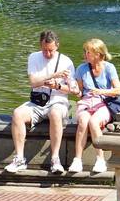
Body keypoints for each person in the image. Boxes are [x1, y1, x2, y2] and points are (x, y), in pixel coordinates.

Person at [8, 30, 79, 174]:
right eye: (44, 50)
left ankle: (55, 158)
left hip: (57, 101)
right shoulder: (34, 57)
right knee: (17, 114)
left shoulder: (66, 61)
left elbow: (75, 90)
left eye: (50, 50)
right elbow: (33, 82)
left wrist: (57, 86)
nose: (47, 54)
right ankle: (20, 158)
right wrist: (53, 76)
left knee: (55, 113)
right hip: (37, 102)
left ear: (57, 46)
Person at [70, 39, 120, 176]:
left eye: (89, 52)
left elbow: (118, 90)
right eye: (85, 52)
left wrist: (101, 91)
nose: (86, 55)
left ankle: (100, 159)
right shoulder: (81, 69)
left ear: (98, 54)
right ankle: (77, 160)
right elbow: (79, 93)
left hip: (104, 102)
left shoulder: (109, 68)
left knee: (94, 122)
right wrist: (74, 90)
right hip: (87, 102)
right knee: (83, 122)